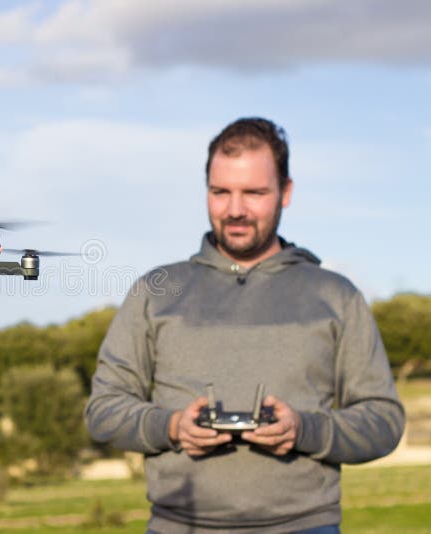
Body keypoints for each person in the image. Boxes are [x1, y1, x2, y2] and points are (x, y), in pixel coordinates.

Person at [84, 117, 405, 533]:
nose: (235, 210)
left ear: (285, 192)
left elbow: (383, 421)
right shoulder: (156, 292)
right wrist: (172, 427)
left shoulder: (336, 296)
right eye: (220, 192)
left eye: (254, 193)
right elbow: (103, 410)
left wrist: (304, 430)